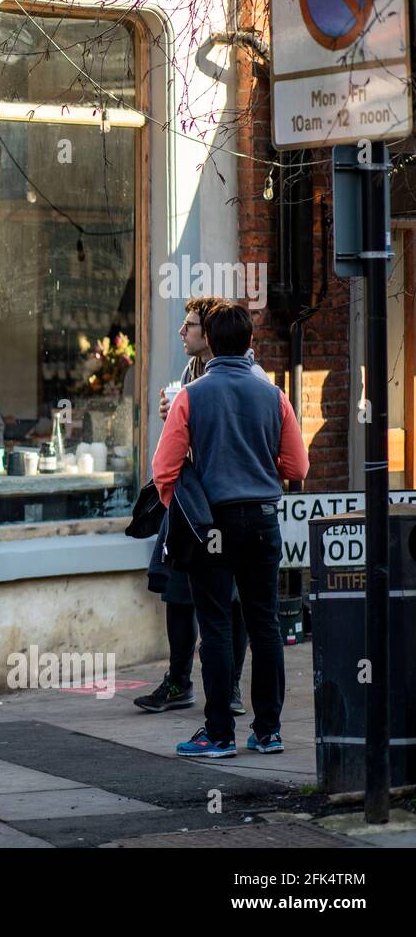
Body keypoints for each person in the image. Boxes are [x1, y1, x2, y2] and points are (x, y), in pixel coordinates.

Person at [153, 302, 309, 758]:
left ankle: (218, 733)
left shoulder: (191, 395)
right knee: (265, 626)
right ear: (249, 342)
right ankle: (268, 731)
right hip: (262, 520)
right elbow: (297, 465)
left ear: (213, 343)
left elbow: (165, 470)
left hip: (211, 524)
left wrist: (183, 510)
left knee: (216, 626)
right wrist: (262, 466)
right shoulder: (274, 395)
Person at [137, 297, 252, 715]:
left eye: (189, 326)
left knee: (233, 598)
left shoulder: (248, 375)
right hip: (189, 496)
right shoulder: (190, 372)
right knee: (176, 588)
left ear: (211, 334)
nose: (181, 332)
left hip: (225, 502)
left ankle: (231, 687)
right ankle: (179, 682)